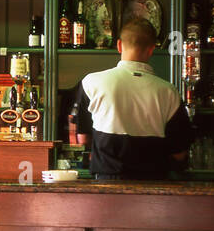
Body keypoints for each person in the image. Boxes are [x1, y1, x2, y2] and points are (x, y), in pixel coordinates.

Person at [72, 16, 192, 181]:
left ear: (119, 45)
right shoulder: (169, 92)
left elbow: (82, 139)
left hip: (107, 181)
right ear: (151, 49)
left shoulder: (91, 82)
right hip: (154, 184)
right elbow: (179, 152)